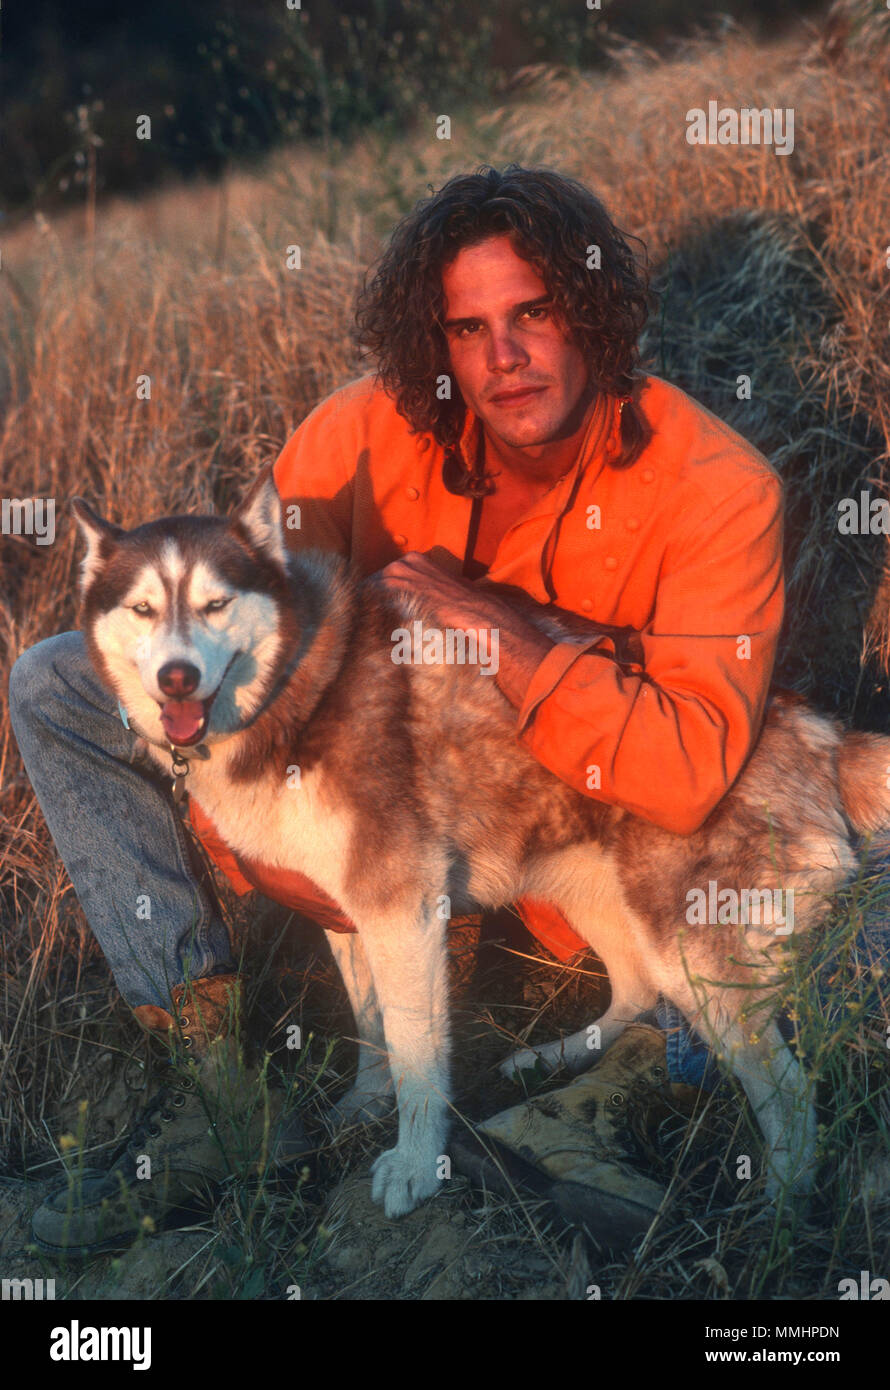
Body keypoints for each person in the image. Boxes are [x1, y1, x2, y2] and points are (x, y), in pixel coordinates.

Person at [9, 164, 785, 1255]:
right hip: (394, 825)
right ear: (435, 342)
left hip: (597, 851)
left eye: (532, 314)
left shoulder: (719, 487)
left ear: (593, 310)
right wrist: (225, 801)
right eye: (467, 330)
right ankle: (216, 1071)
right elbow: (257, 626)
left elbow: (690, 768)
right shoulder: (362, 436)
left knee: (845, 948)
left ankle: (615, 1085)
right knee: (50, 681)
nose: (502, 358)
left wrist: (499, 635)